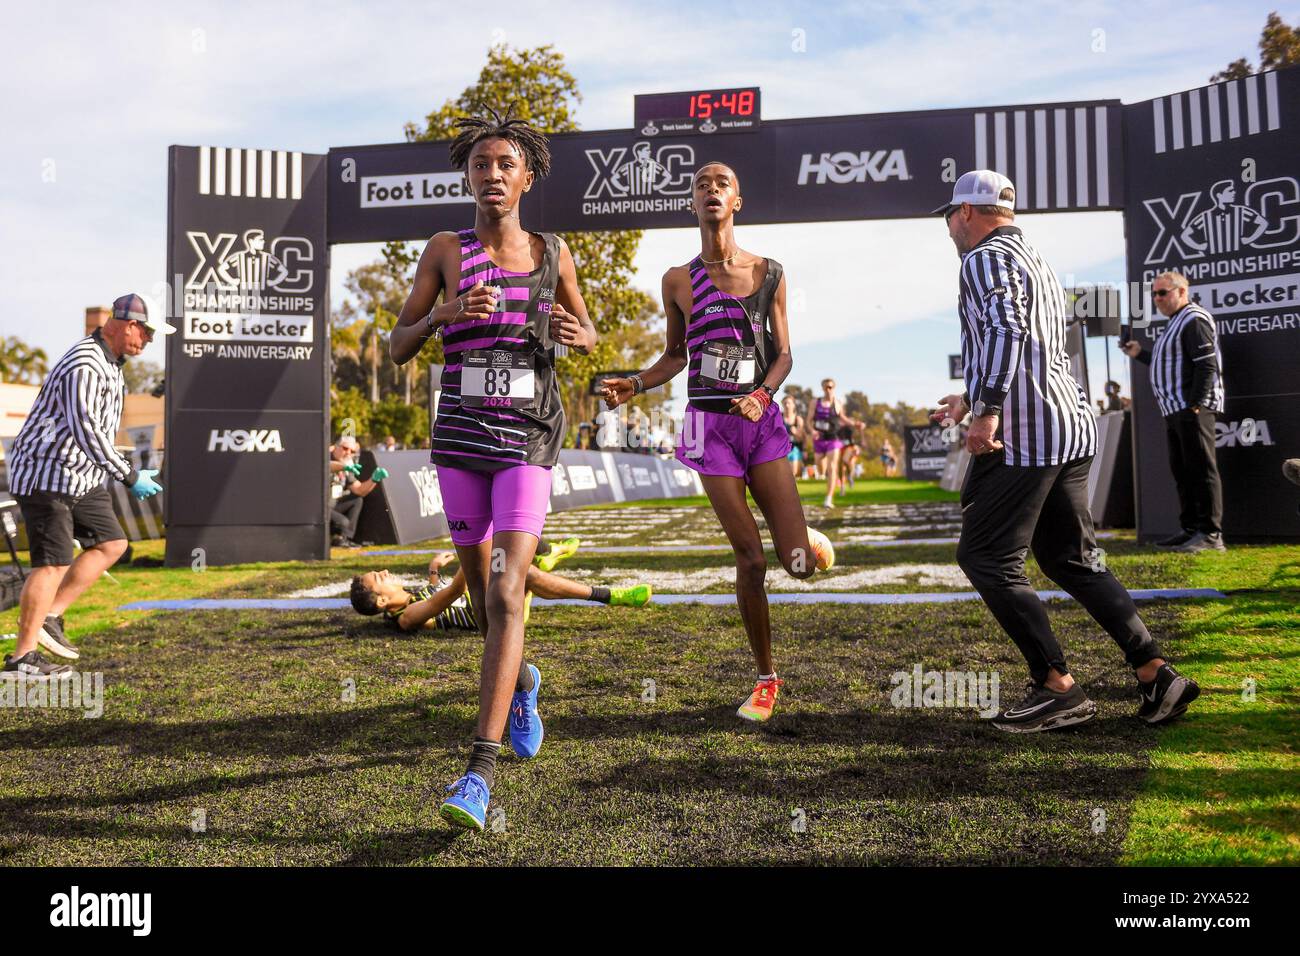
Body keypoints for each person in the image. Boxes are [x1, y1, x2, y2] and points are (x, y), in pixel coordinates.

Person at [931, 169, 1199, 732]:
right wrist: (969, 396)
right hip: (1068, 426)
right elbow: (1026, 344)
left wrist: (986, 411)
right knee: (1071, 558)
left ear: (967, 213)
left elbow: (1005, 330)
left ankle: (1058, 687)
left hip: (1027, 435)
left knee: (985, 557)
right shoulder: (1036, 258)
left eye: (951, 216)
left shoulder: (982, 258)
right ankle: (1155, 671)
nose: (950, 228)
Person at [390, 110, 598, 831]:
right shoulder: (447, 247)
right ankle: (522, 684)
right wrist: (448, 311)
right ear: (469, 177)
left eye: (505, 164)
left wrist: (582, 333)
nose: (492, 174)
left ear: (526, 176)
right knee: (482, 598)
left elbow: (588, 327)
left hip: (528, 436)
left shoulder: (554, 253)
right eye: (480, 165)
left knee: (509, 588)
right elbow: (396, 345)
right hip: (460, 437)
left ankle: (478, 771)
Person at [601, 161, 835, 724]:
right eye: (701, 184)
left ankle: (805, 539)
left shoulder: (770, 271)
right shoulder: (677, 280)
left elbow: (784, 353)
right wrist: (635, 383)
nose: (711, 189)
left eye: (722, 183)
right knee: (749, 558)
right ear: (692, 202)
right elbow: (677, 354)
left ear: (737, 201)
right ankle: (765, 677)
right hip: (708, 429)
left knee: (796, 563)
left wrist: (764, 393)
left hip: (761, 423)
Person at [3, 294, 172, 677]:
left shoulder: (113, 365)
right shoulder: (85, 363)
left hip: (81, 476)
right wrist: (128, 475)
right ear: (128, 324)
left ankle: (49, 617)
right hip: (48, 475)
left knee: (112, 543)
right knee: (52, 563)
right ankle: (20, 659)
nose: (148, 341)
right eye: (146, 332)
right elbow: (86, 430)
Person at [1121, 271, 1226, 553]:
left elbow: (1206, 365)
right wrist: (1139, 353)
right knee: (1183, 470)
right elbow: (1165, 362)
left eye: (1162, 293)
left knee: (1202, 469)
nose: (1157, 299)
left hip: (1191, 408)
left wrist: (1194, 404)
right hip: (1174, 409)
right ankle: (1191, 528)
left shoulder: (1193, 318)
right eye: (1154, 294)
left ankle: (1211, 534)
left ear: (1181, 292)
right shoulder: (1174, 323)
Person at [349, 549, 652, 633]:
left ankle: (543, 556)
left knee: (516, 564)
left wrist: (433, 569)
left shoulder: (412, 599)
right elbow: (453, 592)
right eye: (379, 577)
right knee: (526, 573)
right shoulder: (407, 617)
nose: (385, 572)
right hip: (498, 614)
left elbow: (437, 592)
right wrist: (472, 548)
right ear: (383, 600)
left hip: (490, 594)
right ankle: (610, 596)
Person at [810, 379, 862, 508]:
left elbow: (843, 418)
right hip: (819, 439)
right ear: (822, 388)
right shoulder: (815, 402)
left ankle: (828, 498)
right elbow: (808, 420)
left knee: (833, 467)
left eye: (831, 387)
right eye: (826, 387)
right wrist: (812, 430)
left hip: (833, 438)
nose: (829, 389)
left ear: (834, 388)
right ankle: (825, 474)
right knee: (821, 470)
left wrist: (856, 424)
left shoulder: (837, 403)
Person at [329, 436, 389, 547]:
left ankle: (345, 538)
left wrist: (374, 479)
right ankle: (336, 537)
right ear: (335, 447)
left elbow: (359, 490)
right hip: (319, 508)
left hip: (334, 505)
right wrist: (344, 467)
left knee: (357, 500)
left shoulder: (347, 466)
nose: (348, 453)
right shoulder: (326, 458)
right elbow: (328, 466)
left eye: (352, 451)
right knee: (343, 523)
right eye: (345, 448)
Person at [781, 394, 805, 479]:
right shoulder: (779, 418)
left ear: (793, 405)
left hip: (795, 448)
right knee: (784, 473)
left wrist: (795, 433)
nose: (787, 405)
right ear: (782, 404)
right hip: (782, 449)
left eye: (789, 403)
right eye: (785, 403)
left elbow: (801, 438)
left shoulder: (798, 419)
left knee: (794, 472)